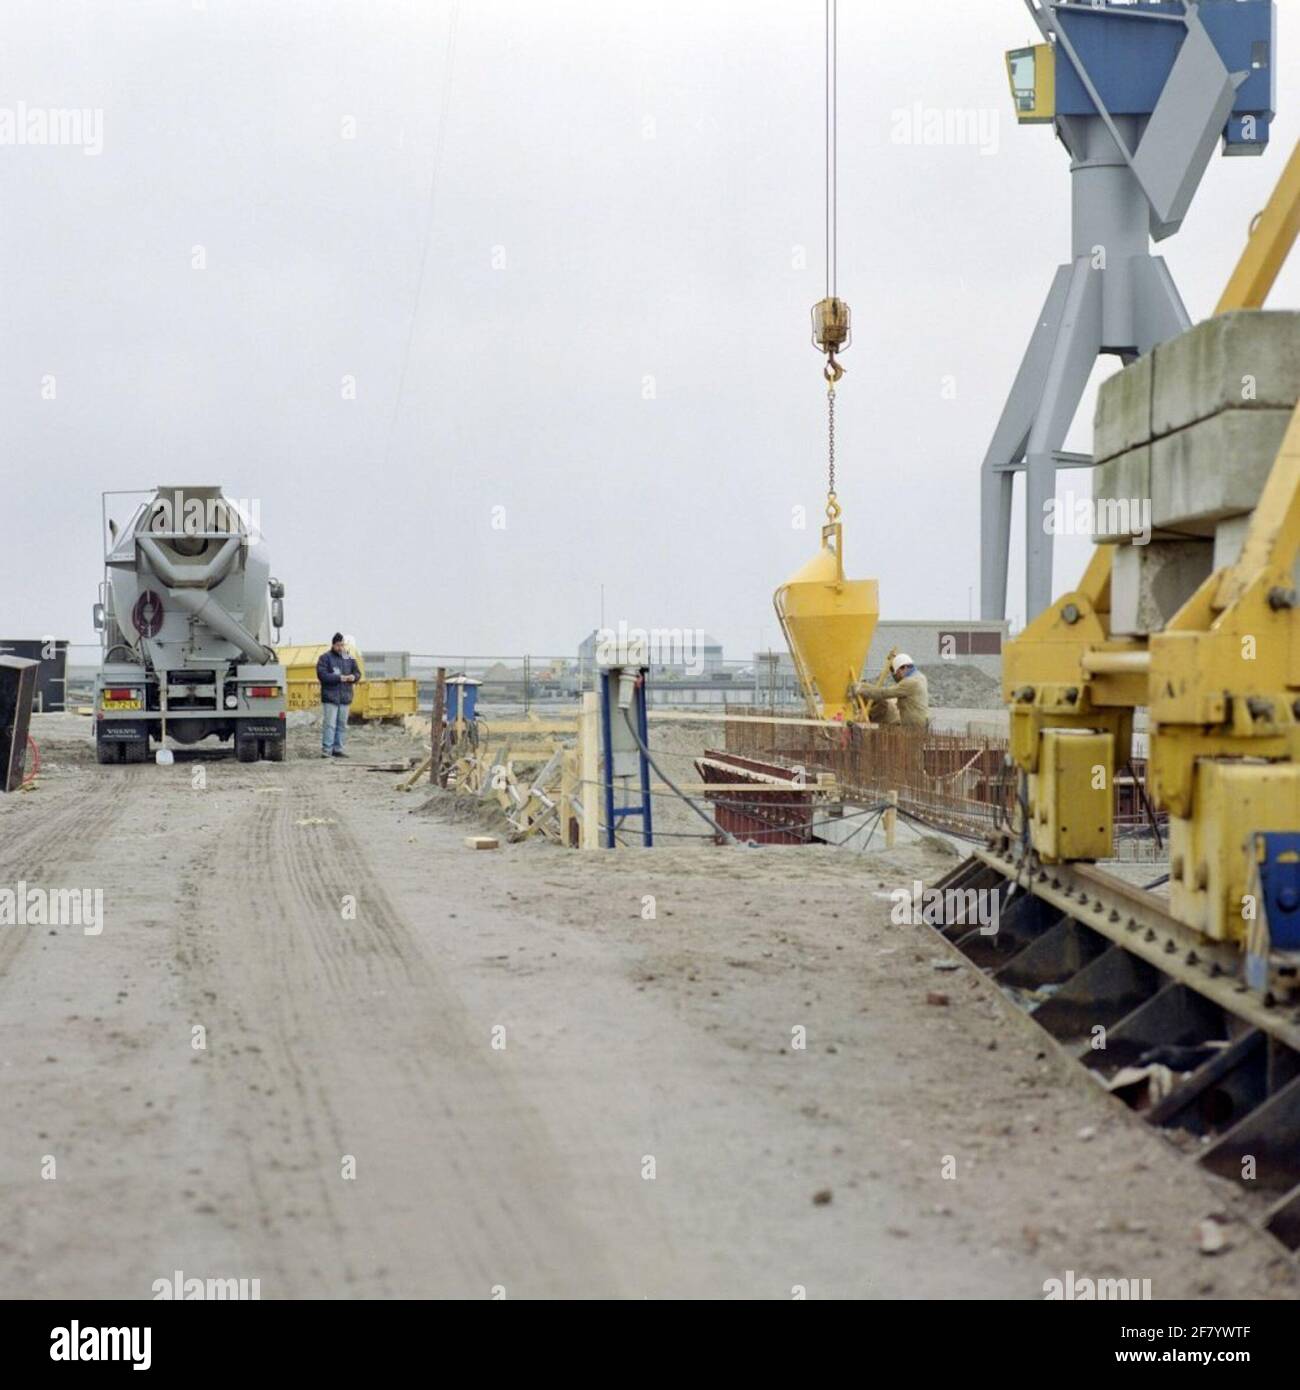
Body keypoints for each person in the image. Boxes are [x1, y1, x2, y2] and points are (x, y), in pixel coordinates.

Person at [854, 652, 930, 729]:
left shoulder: (910, 682)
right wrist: (893, 662)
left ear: (904, 667)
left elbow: (884, 693)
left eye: (897, 673)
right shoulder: (920, 677)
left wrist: (861, 690)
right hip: (919, 722)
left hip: (913, 725)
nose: (897, 676)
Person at [316, 632, 361, 758]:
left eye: (342, 645)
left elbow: (358, 673)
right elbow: (322, 675)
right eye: (338, 645)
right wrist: (339, 678)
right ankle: (327, 750)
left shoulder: (348, 657)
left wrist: (354, 677)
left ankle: (338, 749)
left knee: (341, 725)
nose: (340, 648)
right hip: (331, 698)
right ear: (333, 644)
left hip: (345, 698)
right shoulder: (325, 658)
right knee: (330, 724)